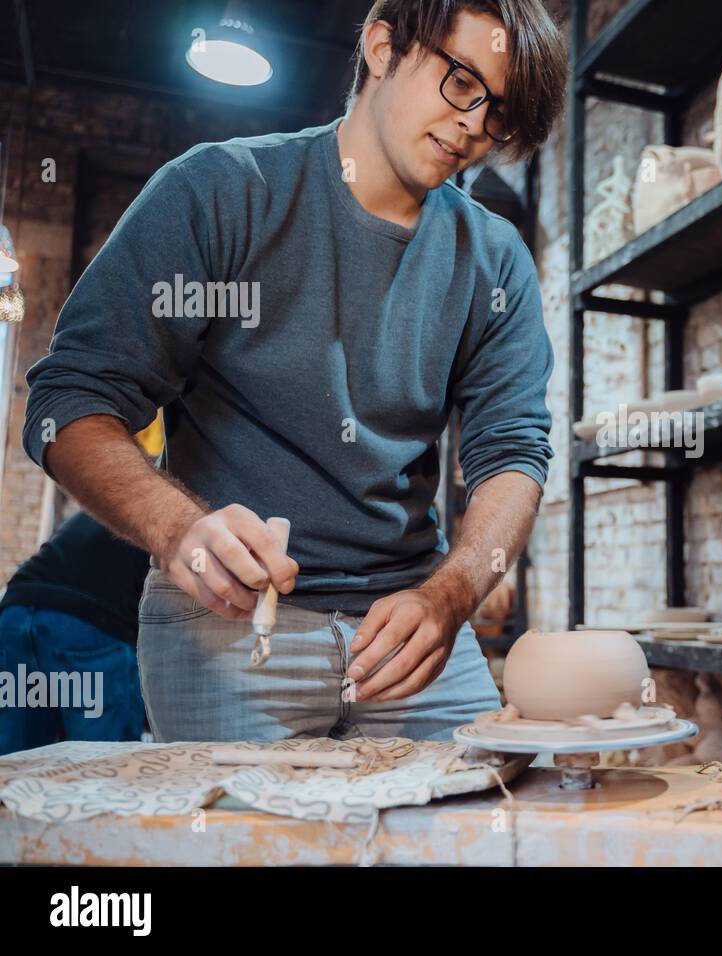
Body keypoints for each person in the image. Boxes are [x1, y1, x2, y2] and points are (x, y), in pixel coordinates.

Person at [20, 0, 566, 743]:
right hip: (229, 624)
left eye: (498, 112)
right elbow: (69, 402)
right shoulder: (218, 190)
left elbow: (514, 453)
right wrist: (181, 530)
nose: (476, 125)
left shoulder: (495, 258)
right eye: (463, 83)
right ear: (382, 44)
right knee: (253, 846)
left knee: (478, 835)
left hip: (411, 628)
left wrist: (453, 595)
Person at [0, 512, 150, 755]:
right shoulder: (175, 517)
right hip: (90, 625)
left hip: (16, 613)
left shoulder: (107, 503)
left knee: (16, 760)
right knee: (100, 765)